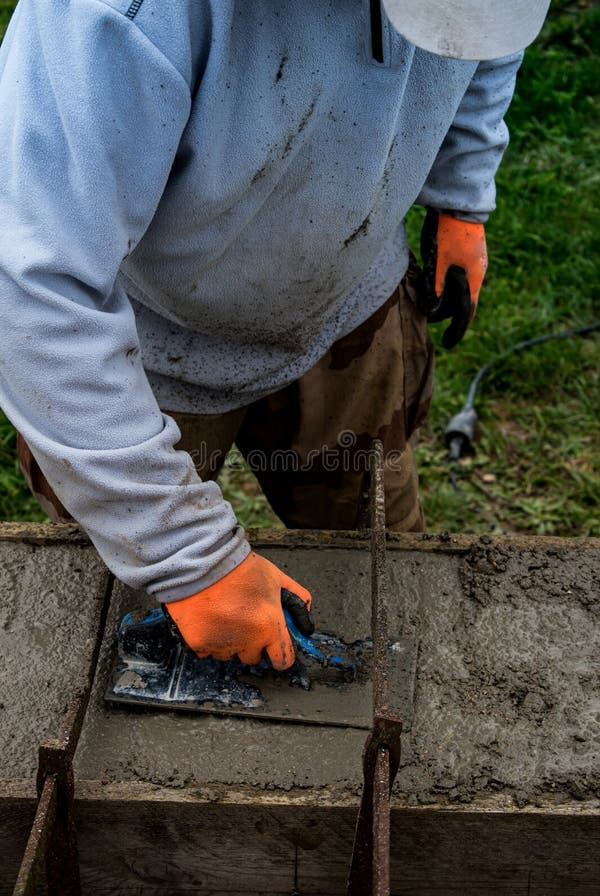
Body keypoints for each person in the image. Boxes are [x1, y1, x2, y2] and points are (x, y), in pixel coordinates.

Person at [0, 0, 550, 668]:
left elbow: (479, 41)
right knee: (129, 630)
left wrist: (461, 190)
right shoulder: (115, 14)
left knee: (384, 565)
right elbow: (31, 283)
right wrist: (183, 559)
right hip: (146, 352)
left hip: (350, 311)